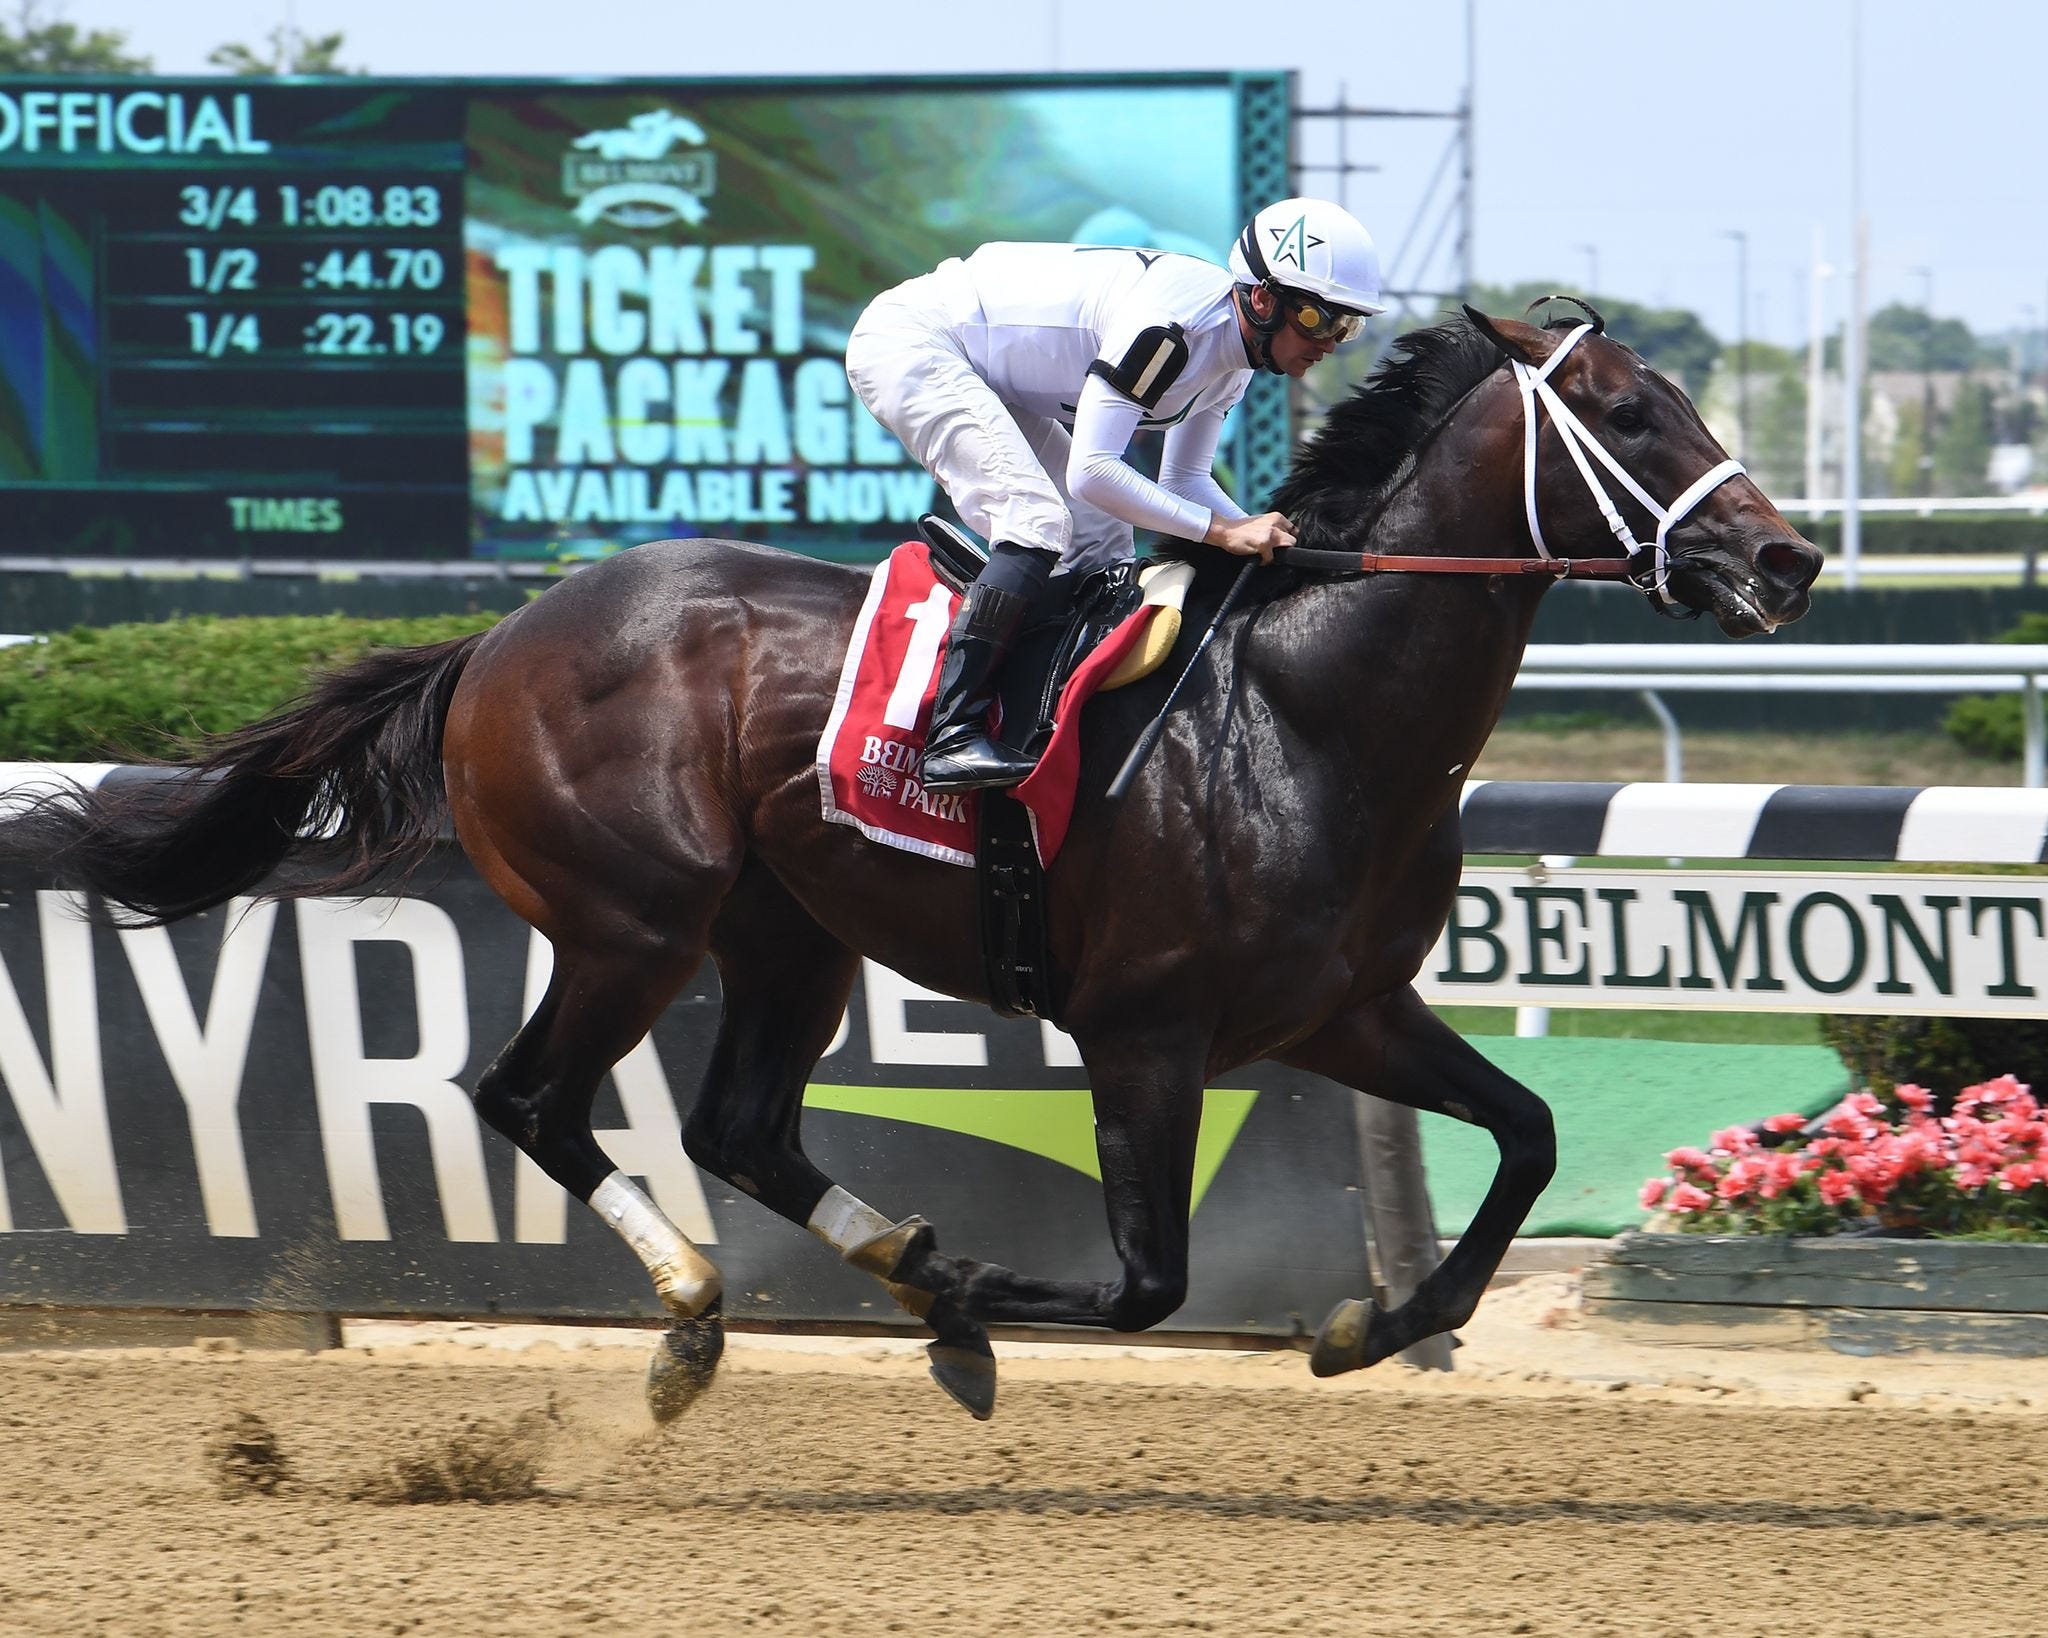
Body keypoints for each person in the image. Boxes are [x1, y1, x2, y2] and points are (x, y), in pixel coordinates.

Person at [844, 196, 1384, 794]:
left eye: (1348, 324)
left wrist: (1278, 543)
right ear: (1262, 298)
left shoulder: (1233, 361)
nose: (1331, 340)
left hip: (982, 364)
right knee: (1037, 519)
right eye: (1318, 319)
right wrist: (1227, 532)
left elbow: (1185, 484)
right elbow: (1094, 471)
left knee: (1102, 538)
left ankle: (1035, 713)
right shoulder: (1173, 330)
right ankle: (951, 733)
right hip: (916, 341)